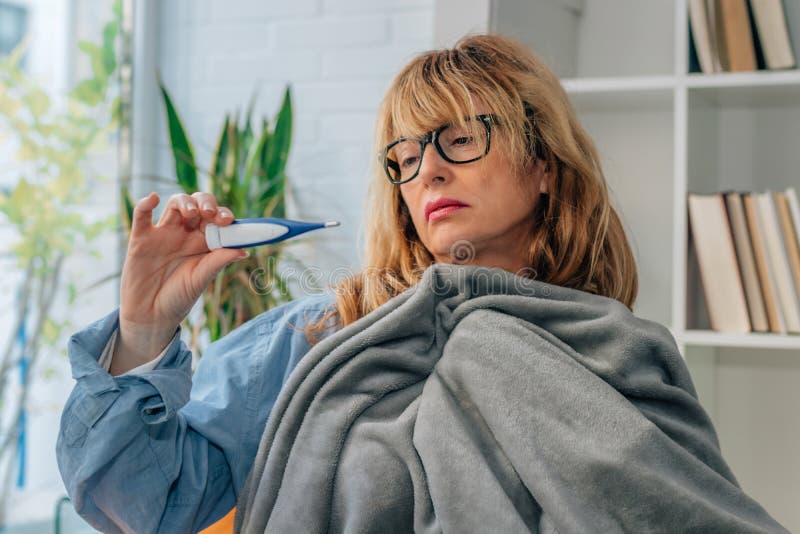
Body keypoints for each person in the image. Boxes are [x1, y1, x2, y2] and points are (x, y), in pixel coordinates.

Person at [56, 34, 782, 533]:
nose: (427, 169)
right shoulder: (322, 334)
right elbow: (149, 505)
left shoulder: (615, 347)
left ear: (543, 166)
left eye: (460, 138)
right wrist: (143, 333)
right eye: (403, 155)